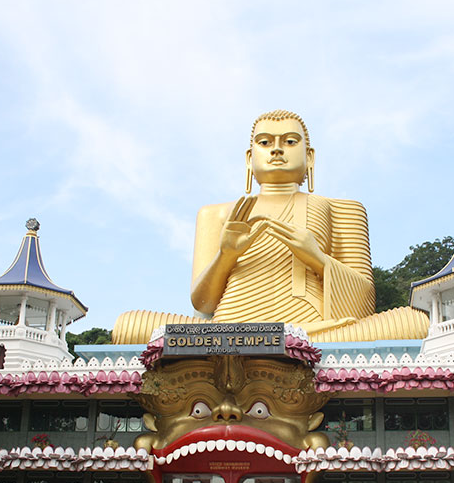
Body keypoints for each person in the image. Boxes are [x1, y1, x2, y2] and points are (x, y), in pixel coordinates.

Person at [113, 110, 429, 343]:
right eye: (265, 142)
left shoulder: (341, 208)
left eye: (290, 141)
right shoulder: (217, 213)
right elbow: (203, 303)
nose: (277, 149)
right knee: (127, 325)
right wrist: (226, 255)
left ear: (310, 156)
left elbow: (363, 303)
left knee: (415, 322)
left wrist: (315, 257)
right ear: (250, 159)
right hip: (227, 332)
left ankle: (275, 340)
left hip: (313, 331)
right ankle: (256, 340)